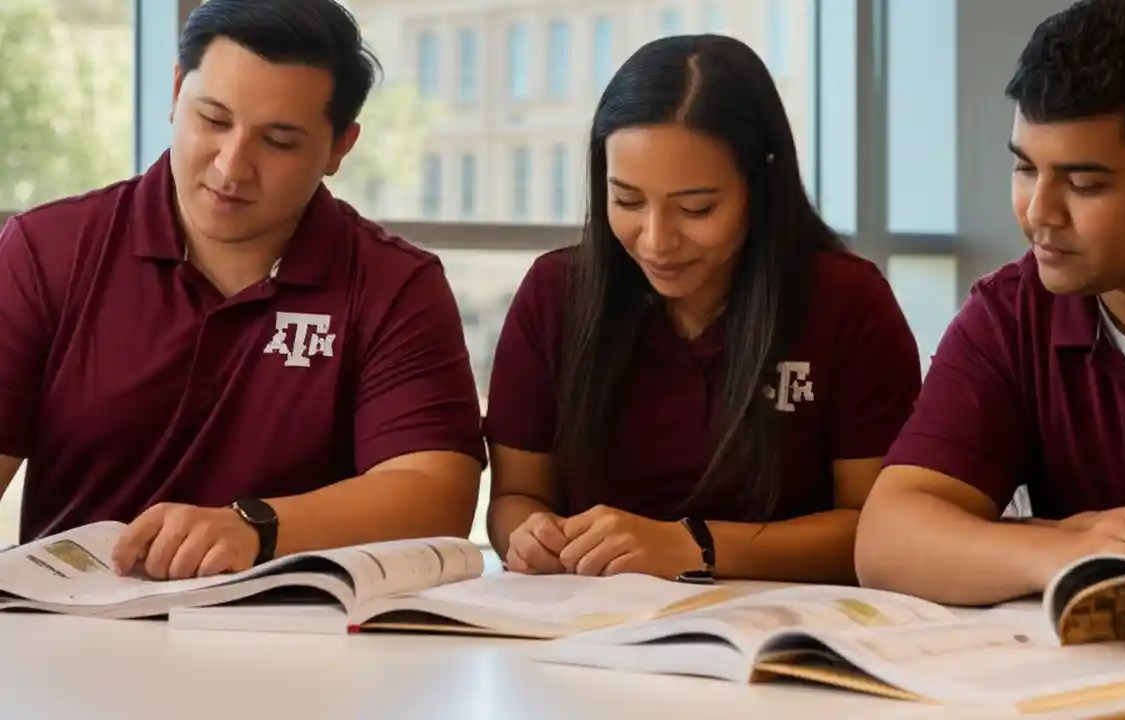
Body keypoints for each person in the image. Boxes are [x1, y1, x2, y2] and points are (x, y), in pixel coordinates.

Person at [0, 0, 485, 580]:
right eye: (212, 120)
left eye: (278, 142)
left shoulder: (393, 285)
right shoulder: (49, 250)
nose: (232, 167)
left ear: (339, 148)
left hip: (305, 645)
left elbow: (435, 494)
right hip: (69, 632)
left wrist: (255, 526)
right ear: (177, 92)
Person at [856, 0, 1125, 605]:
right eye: (1025, 169)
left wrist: (1011, 537)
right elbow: (887, 540)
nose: (1038, 214)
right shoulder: (1011, 312)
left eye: (1084, 184)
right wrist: (1064, 547)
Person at [483, 35, 921, 584]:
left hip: (782, 628)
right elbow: (515, 497)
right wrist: (530, 533)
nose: (657, 241)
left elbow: (878, 527)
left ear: (760, 187)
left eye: (697, 208)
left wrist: (696, 545)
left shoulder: (846, 301)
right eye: (627, 201)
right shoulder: (557, 294)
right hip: (590, 626)